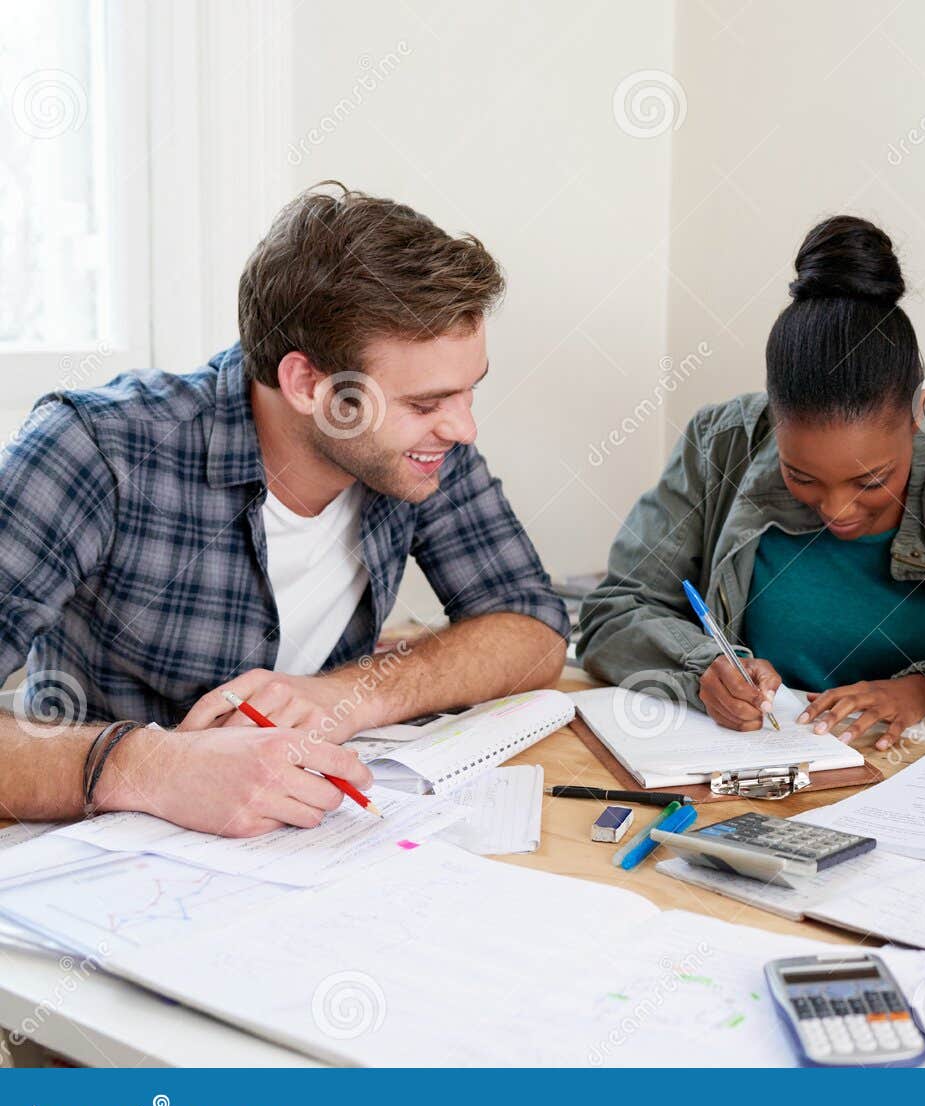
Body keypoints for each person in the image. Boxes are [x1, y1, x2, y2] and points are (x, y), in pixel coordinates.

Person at [0, 185, 569, 836]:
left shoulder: (419, 451)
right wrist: (153, 768)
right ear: (306, 385)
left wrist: (350, 695)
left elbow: (532, 624)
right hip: (98, 872)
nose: (463, 427)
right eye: (425, 403)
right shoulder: (94, 450)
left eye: (470, 391)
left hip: (312, 862)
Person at [580, 216, 925, 749]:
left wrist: (922, 689)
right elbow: (612, 614)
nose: (838, 509)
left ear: (918, 413)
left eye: (871, 481)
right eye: (800, 476)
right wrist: (704, 668)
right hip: (753, 763)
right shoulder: (721, 444)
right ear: (774, 418)